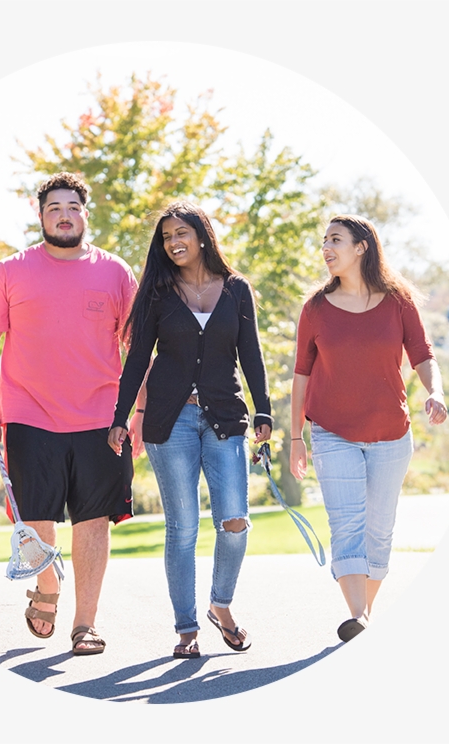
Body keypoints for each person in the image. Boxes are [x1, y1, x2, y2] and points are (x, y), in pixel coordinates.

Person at [108, 201, 273, 659]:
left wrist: (264, 411)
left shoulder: (237, 290)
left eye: (181, 232)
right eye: (166, 237)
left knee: (235, 521)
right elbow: (137, 358)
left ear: (202, 235)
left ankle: (221, 605)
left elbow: (252, 355)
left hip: (225, 417)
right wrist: (121, 417)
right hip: (170, 419)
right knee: (182, 528)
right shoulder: (157, 293)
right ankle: (186, 628)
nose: (174, 242)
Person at [0, 172, 137, 656]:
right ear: (41, 215)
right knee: (38, 518)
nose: (64, 215)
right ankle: (47, 590)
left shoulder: (115, 272)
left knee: (93, 521)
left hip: (101, 418)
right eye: (54, 208)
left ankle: (85, 624)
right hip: (28, 415)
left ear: (85, 213)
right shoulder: (10, 272)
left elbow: (136, 348)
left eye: (73, 206)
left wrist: (140, 410)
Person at [289, 214, 448, 642]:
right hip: (331, 431)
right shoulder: (316, 309)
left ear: (362, 247)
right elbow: (301, 374)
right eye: (324, 240)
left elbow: (422, 354)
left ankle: (365, 617)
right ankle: (357, 614)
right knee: (346, 524)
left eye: (335, 240)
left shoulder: (398, 301)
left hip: (391, 434)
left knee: (379, 530)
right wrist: (294, 438)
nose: (326, 247)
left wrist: (436, 392)